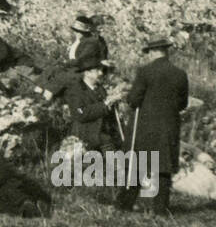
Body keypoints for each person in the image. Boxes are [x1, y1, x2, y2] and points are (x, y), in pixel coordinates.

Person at [115, 37, 190, 216]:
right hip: (169, 126)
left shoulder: (145, 72)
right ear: (166, 51)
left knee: (138, 165)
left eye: (149, 52)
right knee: (163, 167)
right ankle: (161, 209)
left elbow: (134, 100)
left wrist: (128, 98)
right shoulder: (180, 73)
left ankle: (125, 205)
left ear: (154, 51)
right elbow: (183, 103)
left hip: (145, 125)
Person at [62, 56, 121, 152]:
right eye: (97, 71)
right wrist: (105, 104)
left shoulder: (100, 89)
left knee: (116, 162)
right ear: (87, 72)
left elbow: (107, 113)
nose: (101, 73)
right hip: (85, 137)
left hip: (104, 134)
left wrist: (113, 104)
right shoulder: (75, 90)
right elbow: (80, 114)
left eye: (101, 70)